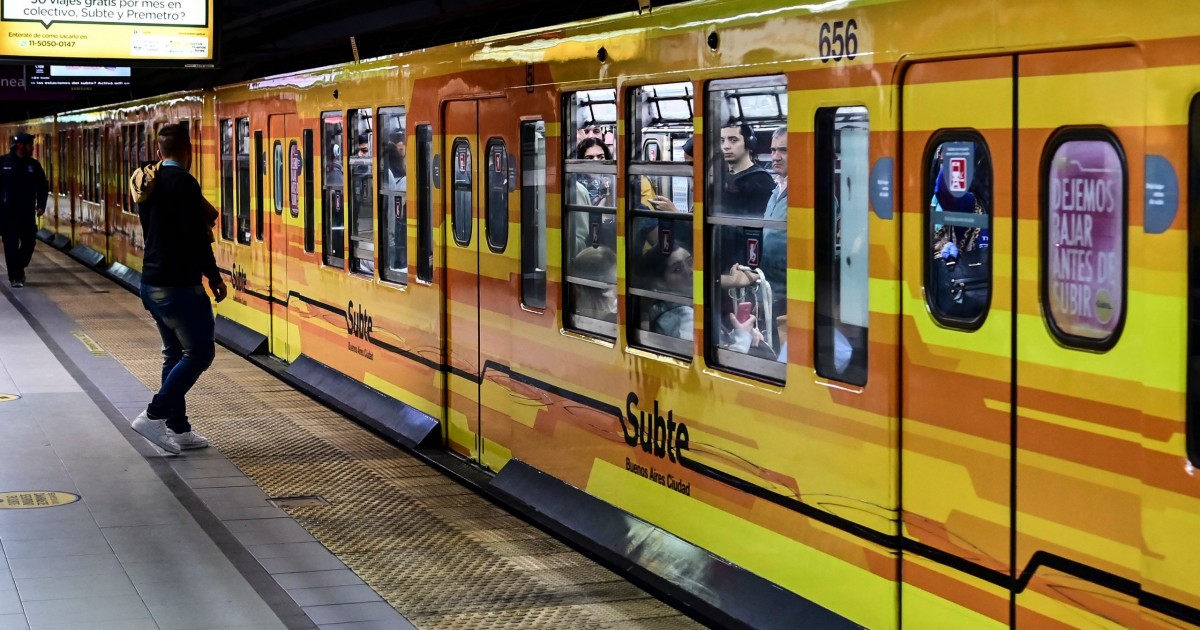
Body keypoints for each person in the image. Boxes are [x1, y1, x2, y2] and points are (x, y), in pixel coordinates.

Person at [131, 124, 228, 455]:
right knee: (200, 353)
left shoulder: (148, 181)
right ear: (189, 150)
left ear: (159, 152)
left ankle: (178, 427)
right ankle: (154, 415)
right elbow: (196, 237)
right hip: (178, 285)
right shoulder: (183, 182)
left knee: (174, 354)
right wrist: (214, 276)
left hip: (151, 282)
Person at [0, 133, 49, 288]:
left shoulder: (34, 166)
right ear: (21, 146)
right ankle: (14, 277)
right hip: (7, 214)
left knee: (29, 243)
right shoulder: (3, 163)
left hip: (27, 213)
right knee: (10, 245)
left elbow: (42, 187)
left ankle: (19, 266)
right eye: (30, 145)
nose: (32, 148)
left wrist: (41, 205)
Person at [718, 122, 774, 216]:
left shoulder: (761, 180)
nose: (725, 146)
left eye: (733, 140)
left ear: (749, 143)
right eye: (722, 141)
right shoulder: (720, 177)